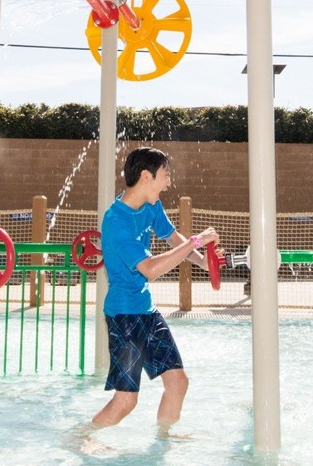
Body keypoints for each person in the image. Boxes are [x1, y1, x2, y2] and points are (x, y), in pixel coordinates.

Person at [91, 147, 221, 432]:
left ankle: (164, 441)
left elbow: (174, 239)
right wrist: (197, 242)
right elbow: (149, 268)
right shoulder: (115, 221)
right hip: (123, 316)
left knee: (178, 382)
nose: (168, 182)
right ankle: (83, 437)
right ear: (147, 176)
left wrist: (203, 263)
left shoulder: (151, 207)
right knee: (126, 401)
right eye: (165, 175)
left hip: (147, 311)